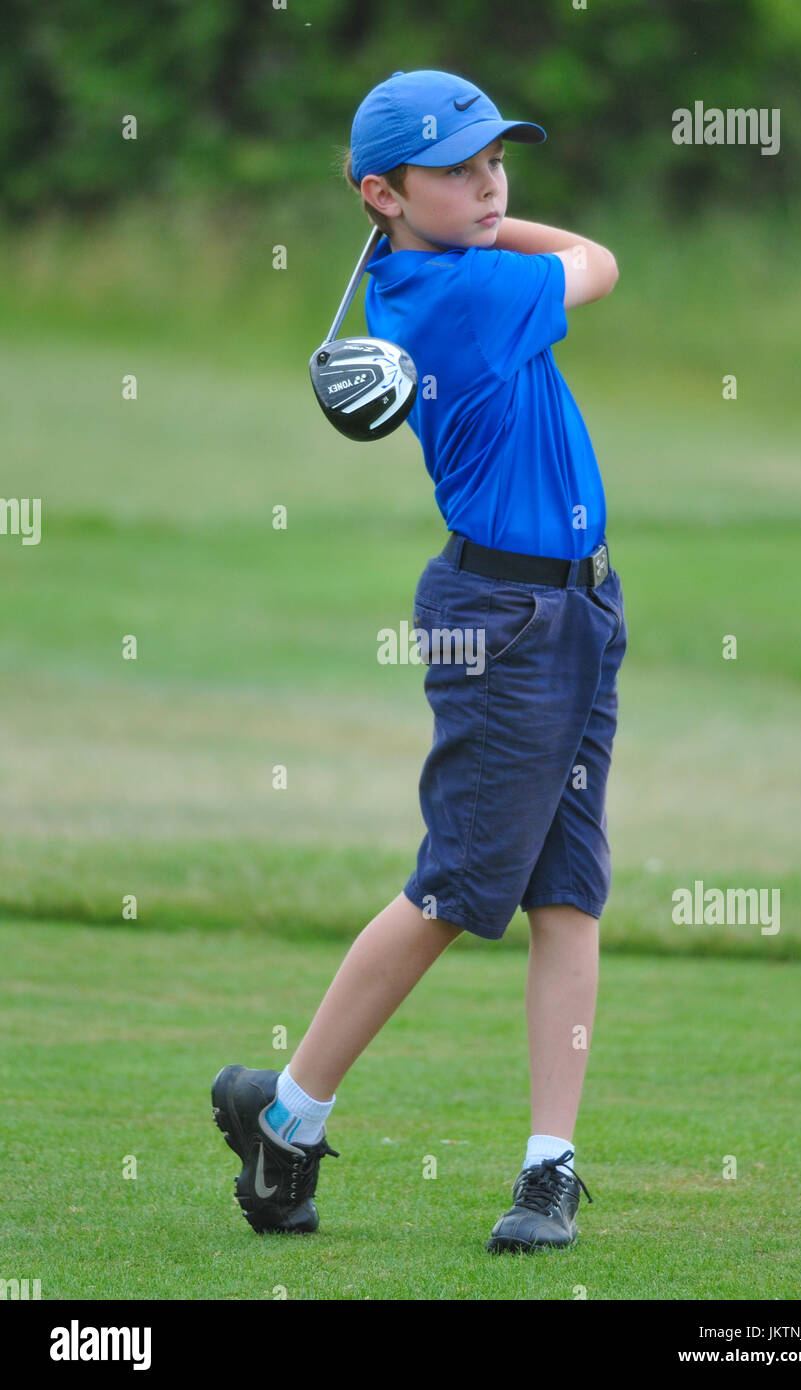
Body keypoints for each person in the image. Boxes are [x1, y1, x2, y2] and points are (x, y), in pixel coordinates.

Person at [212, 68, 627, 1254]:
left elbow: (552, 248)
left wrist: (462, 216)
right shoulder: (467, 298)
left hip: (578, 608)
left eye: (497, 158)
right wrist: (496, 231)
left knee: (565, 889)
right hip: (501, 620)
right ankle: (285, 1116)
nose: (490, 182)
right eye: (457, 169)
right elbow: (596, 257)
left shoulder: (440, 269)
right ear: (380, 195)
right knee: (455, 884)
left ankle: (547, 1167)